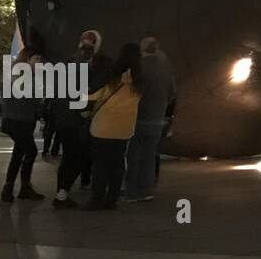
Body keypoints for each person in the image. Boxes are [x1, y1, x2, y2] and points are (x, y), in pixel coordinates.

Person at [85, 43, 143, 211]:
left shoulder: (111, 75)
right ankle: (112, 200)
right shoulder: (139, 80)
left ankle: (97, 199)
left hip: (103, 127)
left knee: (100, 166)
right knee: (117, 166)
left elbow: (93, 96)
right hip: (125, 129)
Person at [122, 36, 176, 202]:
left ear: (142, 49)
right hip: (156, 120)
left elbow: (127, 91)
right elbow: (172, 92)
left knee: (133, 157)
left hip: (138, 119)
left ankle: (131, 192)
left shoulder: (138, 67)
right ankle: (147, 190)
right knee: (149, 156)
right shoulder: (166, 69)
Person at [52, 30, 100, 209]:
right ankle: (62, 192)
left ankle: (61, 192)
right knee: (79, 157)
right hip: (76, 118)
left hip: (63, 116)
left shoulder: (68, 62)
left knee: (68, 156)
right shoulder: (87, 67)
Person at [0, 46, 47, 203]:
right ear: (27, 59)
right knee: (31, 151)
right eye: (36, 59)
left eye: (41, 60)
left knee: (19, 153)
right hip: (16, 121)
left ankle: (13, 188)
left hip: (21, 121)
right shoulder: (20, 74)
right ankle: (19, 188)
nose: (39, 63)